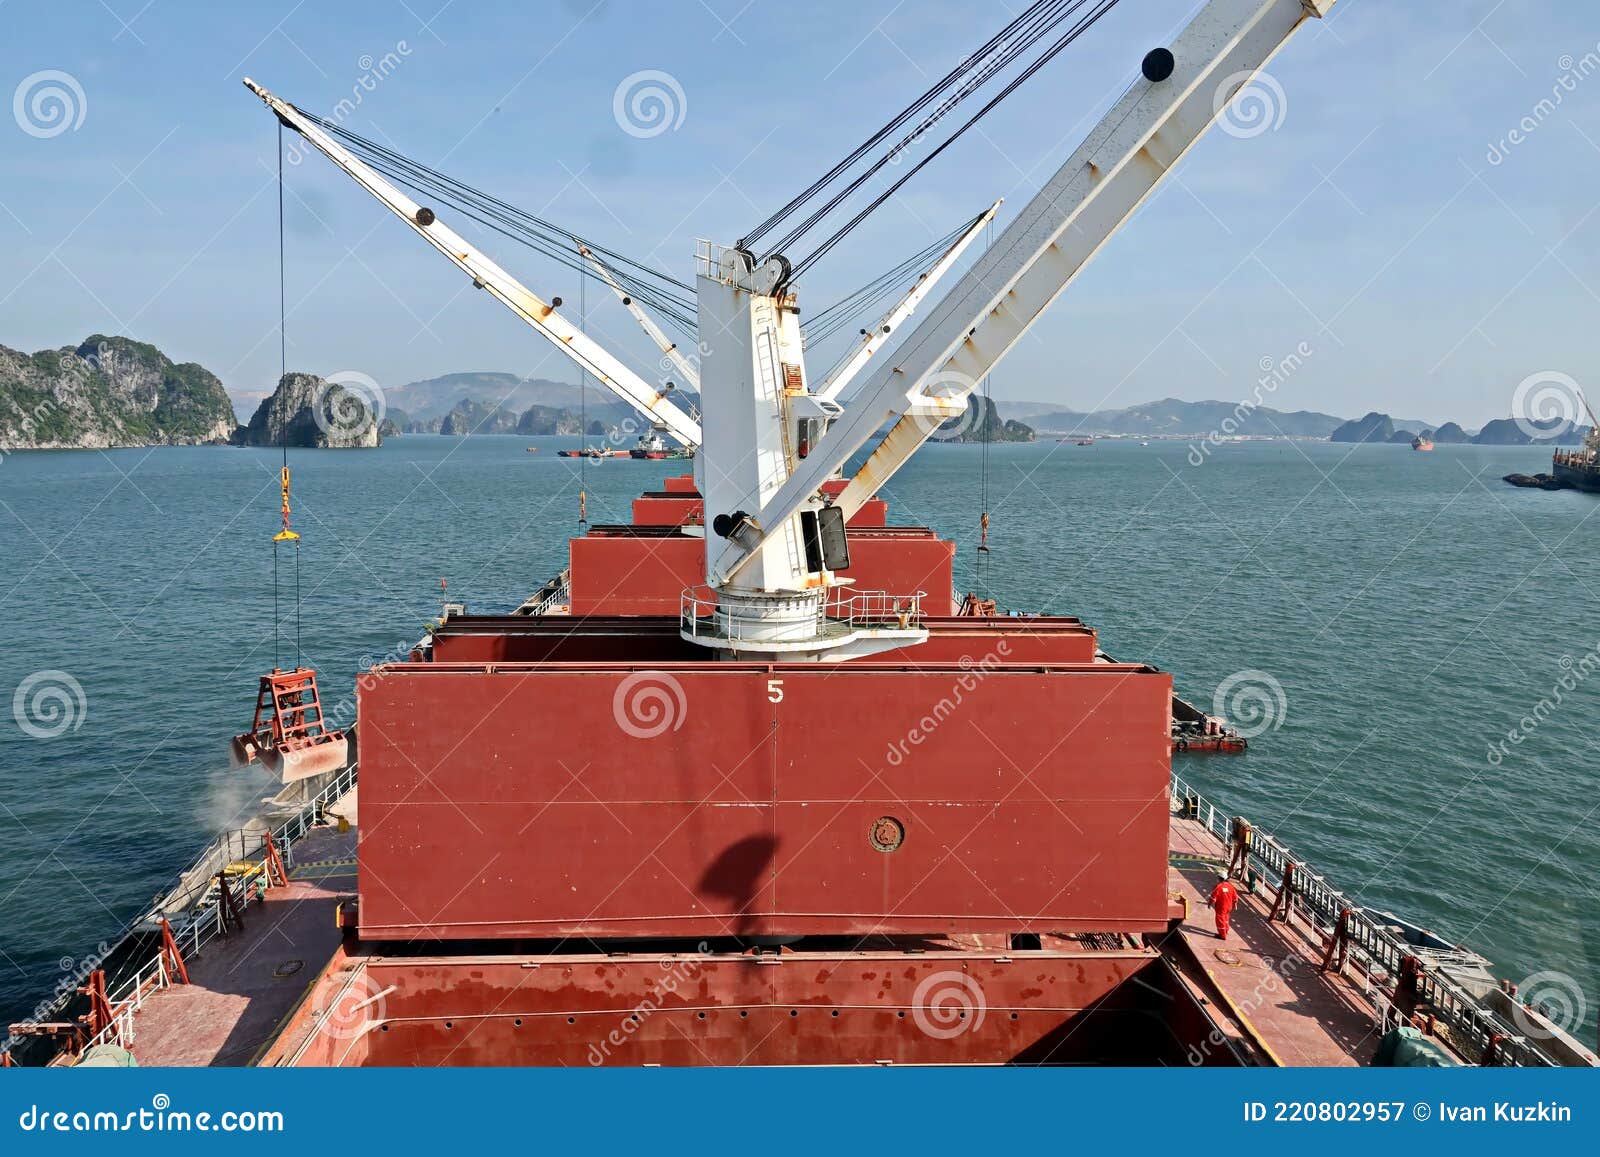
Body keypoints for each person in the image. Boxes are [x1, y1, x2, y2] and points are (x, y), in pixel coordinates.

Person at [1208, 871, 1239, 940]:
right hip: (1229, 907)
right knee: (1226, 919)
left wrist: (1209, 904)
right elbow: (1235, 897)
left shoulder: (1219, 887)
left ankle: (1222, 935)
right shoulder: (1230, 886)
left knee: (1220, 920)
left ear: (1219, 878)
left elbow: (1213, 897)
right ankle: (1226, 930)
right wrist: (1235, 904)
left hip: (1221, 907)